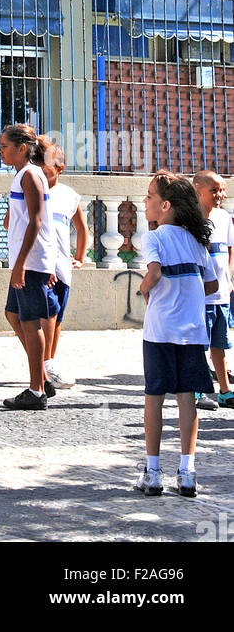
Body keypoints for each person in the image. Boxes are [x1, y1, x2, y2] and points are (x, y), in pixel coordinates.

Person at [135, 172, 216, 498]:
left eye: (150, 196)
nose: (145, 201)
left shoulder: (154, 237)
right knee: (187, 399)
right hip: (193, 331)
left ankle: (153, 472)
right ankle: (187, 472)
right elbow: (211, 284)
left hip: (160, 330)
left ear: (165, 205)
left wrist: (144, 290)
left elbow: (153, 273)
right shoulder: (196, 241)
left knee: (154, 397)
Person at [0, 122, 58, 411]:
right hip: (27, 259)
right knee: (13, 314)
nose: (1, 152)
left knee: (30, 320)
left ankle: (36, 390)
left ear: (22, 149)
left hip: (31, 260)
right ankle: (42, 377)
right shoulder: (23, 175)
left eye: (5, 147)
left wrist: (21, 263)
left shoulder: (30, 175)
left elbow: (36, 220)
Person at [34, 135, 87, 390]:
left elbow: (82, 228)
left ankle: (49, 361)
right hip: (43, 265)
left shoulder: (68, 195)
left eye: (47, 162)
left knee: (57, 316)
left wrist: (80, 257)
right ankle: (45, 364)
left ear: (60, 167)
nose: (42, 167)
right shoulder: (32, 191)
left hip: (63, 268)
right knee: (48, 313)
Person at [191, 171, 234, 411]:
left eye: (222, 190)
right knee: (200, 345)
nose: (220, 195)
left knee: (220, 345)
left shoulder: (223, 217)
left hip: (222, 295)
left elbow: (229, 249)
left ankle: (225, 391)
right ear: (198, 190)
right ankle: (197, 390)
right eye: (214, 190)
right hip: (201, 296)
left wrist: (228, 277)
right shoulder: (191, 220)